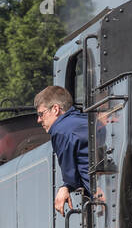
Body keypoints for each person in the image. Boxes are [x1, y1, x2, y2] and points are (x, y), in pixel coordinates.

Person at [35, 85, 90, 213]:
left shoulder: (61, 130)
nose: (38, 120)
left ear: (55, 109)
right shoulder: (82, 120)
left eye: (41, 114)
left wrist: (65, 187)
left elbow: (71, 177)